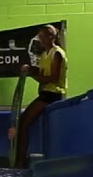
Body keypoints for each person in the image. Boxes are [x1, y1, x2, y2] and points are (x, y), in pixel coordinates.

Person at [9, 24, 68, 168]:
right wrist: (29, 68)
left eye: (43, 36)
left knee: (23, 123)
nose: (40, 40)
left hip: (53, 94)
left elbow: (52, 77)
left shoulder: (57, 53)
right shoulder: (44, 54)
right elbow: (41, 71)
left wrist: (33, 74)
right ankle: (20, 160)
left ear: (52, 37)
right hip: (45, 92)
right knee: (22, 122)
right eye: (39, 37)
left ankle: (21, 162)